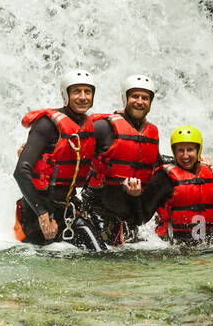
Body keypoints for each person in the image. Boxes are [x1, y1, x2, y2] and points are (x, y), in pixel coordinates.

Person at [12, 69, 105, 250]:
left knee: (100, 254)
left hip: (65, 211)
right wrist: (43, 215)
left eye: (87, 92)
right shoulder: (46, 125)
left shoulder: (89, 126)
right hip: (36, 213)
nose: (83, 97)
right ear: (65, 95)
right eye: (76, 91)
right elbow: (21, 171)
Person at [82, 73, 160, 243]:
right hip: (98, 209)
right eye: (135, 96)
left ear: (150, 103)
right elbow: (70, 149)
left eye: (145, 98)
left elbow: (157, 162)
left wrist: (197, 162)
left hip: (129, 212)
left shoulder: (151, 133)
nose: (140, 101)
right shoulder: (103, 127)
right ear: (125, 99)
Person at [136, 125, 213, 244]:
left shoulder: (209, 173)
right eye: (180, 150)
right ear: (174, 152)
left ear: (198, 151)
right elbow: (142, 216)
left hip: (206, 246)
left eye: (190, 150)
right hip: (171, 247)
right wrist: (135, 195)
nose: (185, 156)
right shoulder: (163, 177)